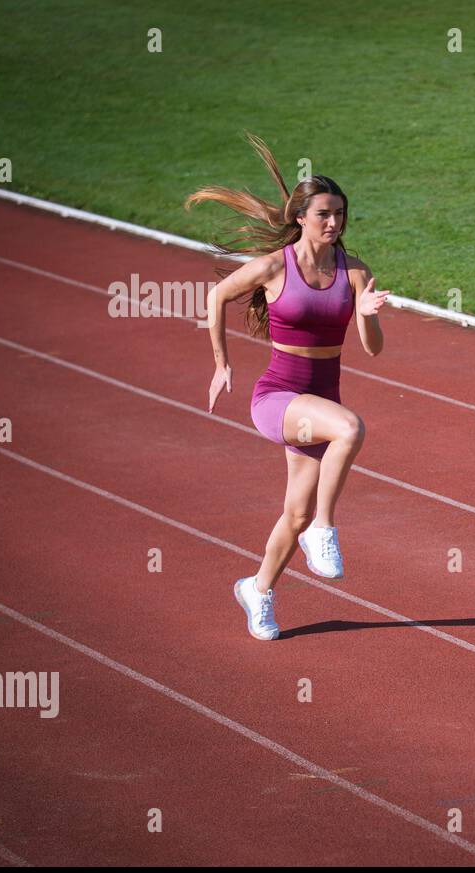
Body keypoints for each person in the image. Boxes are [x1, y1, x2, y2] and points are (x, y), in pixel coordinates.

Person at [185, 132, 393, 639]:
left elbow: (373, 349)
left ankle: (258, 589)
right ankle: (326, 528)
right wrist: (220, 364)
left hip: (319, 401)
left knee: (292, 513)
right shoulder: (275, 267)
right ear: (300, 217)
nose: (334, 223)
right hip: (278, 397)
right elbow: (216, 297)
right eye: (324, 214)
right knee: (350, 429)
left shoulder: (355, 272)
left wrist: (365, 314)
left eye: (340, 214)